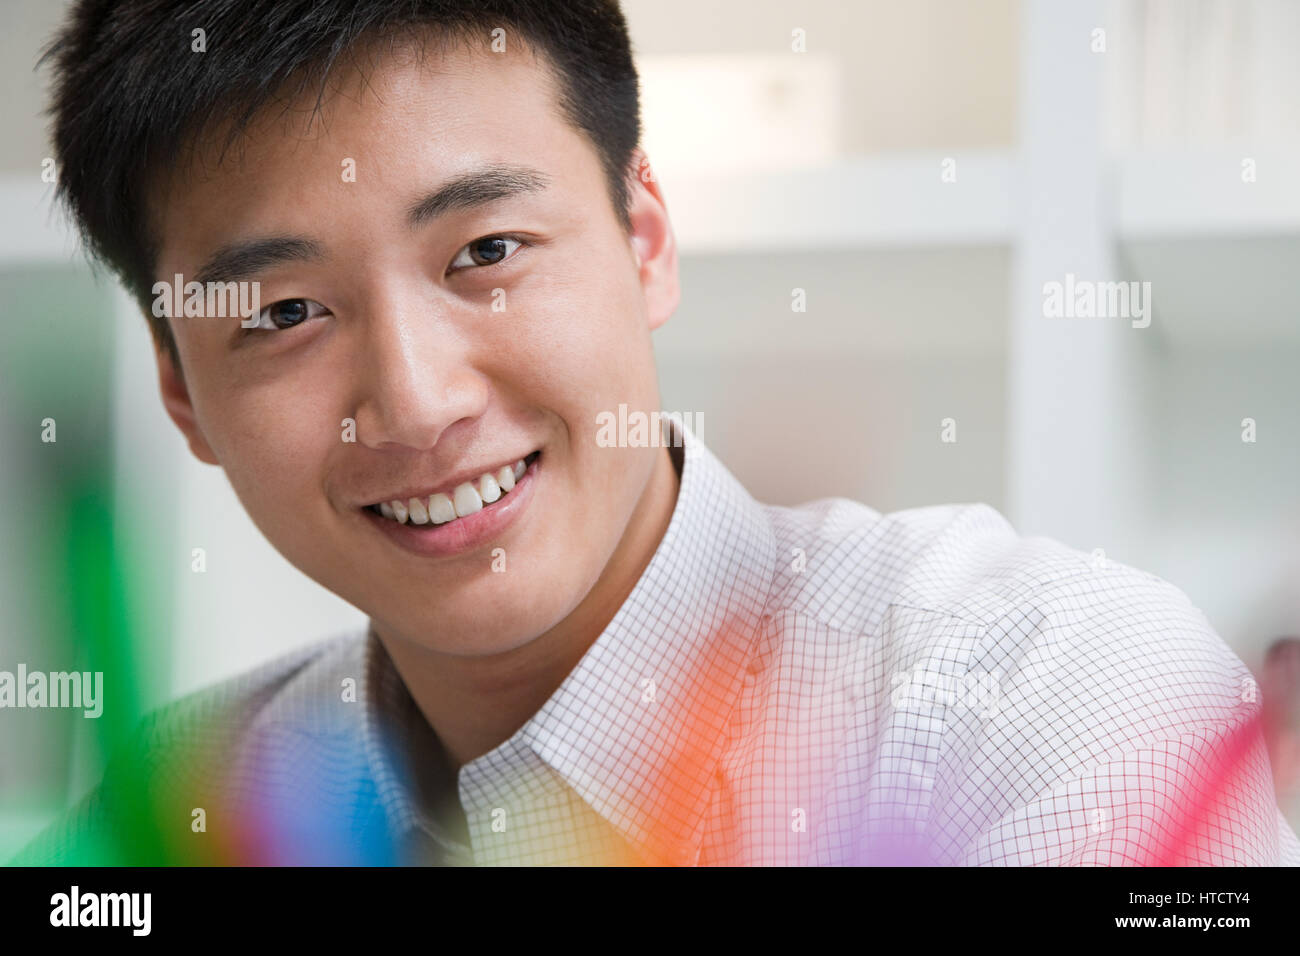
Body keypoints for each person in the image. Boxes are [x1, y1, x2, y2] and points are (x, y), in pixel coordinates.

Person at [12, 0, 1298, 866]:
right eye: (287, 310)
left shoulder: (1055, 690)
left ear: (644, 240)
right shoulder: (181, 808)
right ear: (182, 389)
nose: (416, 401)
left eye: (487, 251)